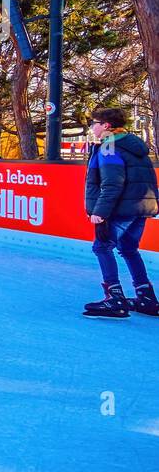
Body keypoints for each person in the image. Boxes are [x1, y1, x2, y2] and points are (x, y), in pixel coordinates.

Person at [81, 107, 159, 318]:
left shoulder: (110, 146)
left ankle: (114, 298)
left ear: (106, 125)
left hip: (121, 208)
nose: (92, 127)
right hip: (140, 207)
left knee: (102, 247)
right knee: (128, 248)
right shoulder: (132, 145)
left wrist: (100, 211)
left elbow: (112, 182)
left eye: (94, 123)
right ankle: (147, 297)